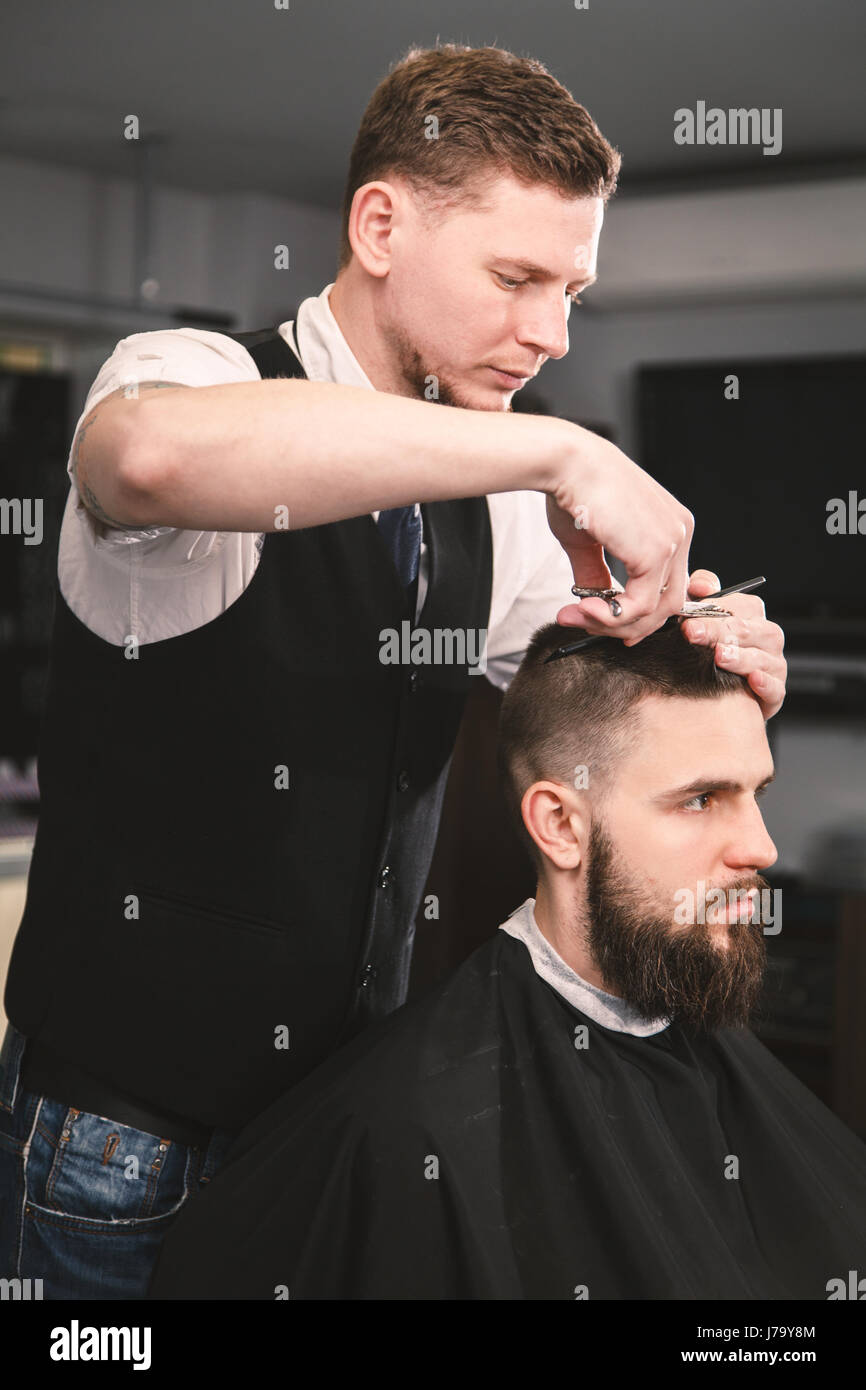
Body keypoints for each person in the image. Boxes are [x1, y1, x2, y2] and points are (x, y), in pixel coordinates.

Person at [0, 44, 787, 1299]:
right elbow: (143, 460)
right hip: (124, 1146)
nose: (549, 330)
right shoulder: (191, 377)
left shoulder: (495, 487)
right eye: (516, 276)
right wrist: (556, 454)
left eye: (571, 290)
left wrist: (719, 652)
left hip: (339, 1125)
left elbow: (590, 693)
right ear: (378, 224)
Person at [148, 620, 864, 1301]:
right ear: (560, 826)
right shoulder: (401, 1132)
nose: (761, 848)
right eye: (701, 799)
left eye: (755, 793)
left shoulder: (713, 1046)